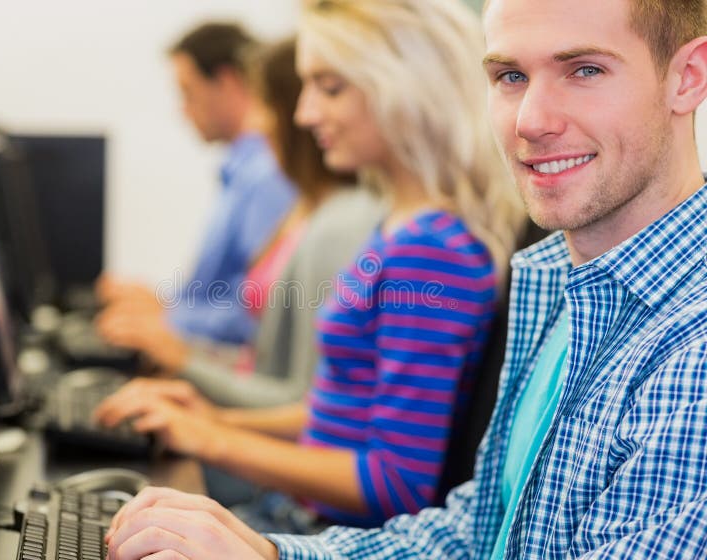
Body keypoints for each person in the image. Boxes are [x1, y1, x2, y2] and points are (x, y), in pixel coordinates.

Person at [102, 0, 707, 558]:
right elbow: (474, 532)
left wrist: (214, 437)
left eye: (585, 71)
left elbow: (394, 473)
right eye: (509, 77)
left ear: (688, 78)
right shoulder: (556, 289)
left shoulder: (690, 356)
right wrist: (272, 553)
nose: (531, 120)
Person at [97, 0, 523, 535]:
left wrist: (212, 439)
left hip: (329, 532)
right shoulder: (400, 223)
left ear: (402, 87)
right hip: (306, 517)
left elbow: (395, 481)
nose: (304, 114)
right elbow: (341, 413)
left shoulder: (429, 249)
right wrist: (213, 418)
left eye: (330, 87)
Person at [98, 38, 383, 409]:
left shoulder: (335, 223)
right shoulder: (309, 211)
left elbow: (301, 399)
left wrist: (186, 365)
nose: (256, 123)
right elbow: (266, 364)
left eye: (264, 105)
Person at [96, 22, 295, 348]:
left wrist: (167, 318)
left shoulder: (268, 176)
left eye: (188, 91)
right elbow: (222, 291)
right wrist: (163, 305)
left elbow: (260, 312)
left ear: (228, 81)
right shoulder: (242, 172)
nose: (183, 109)